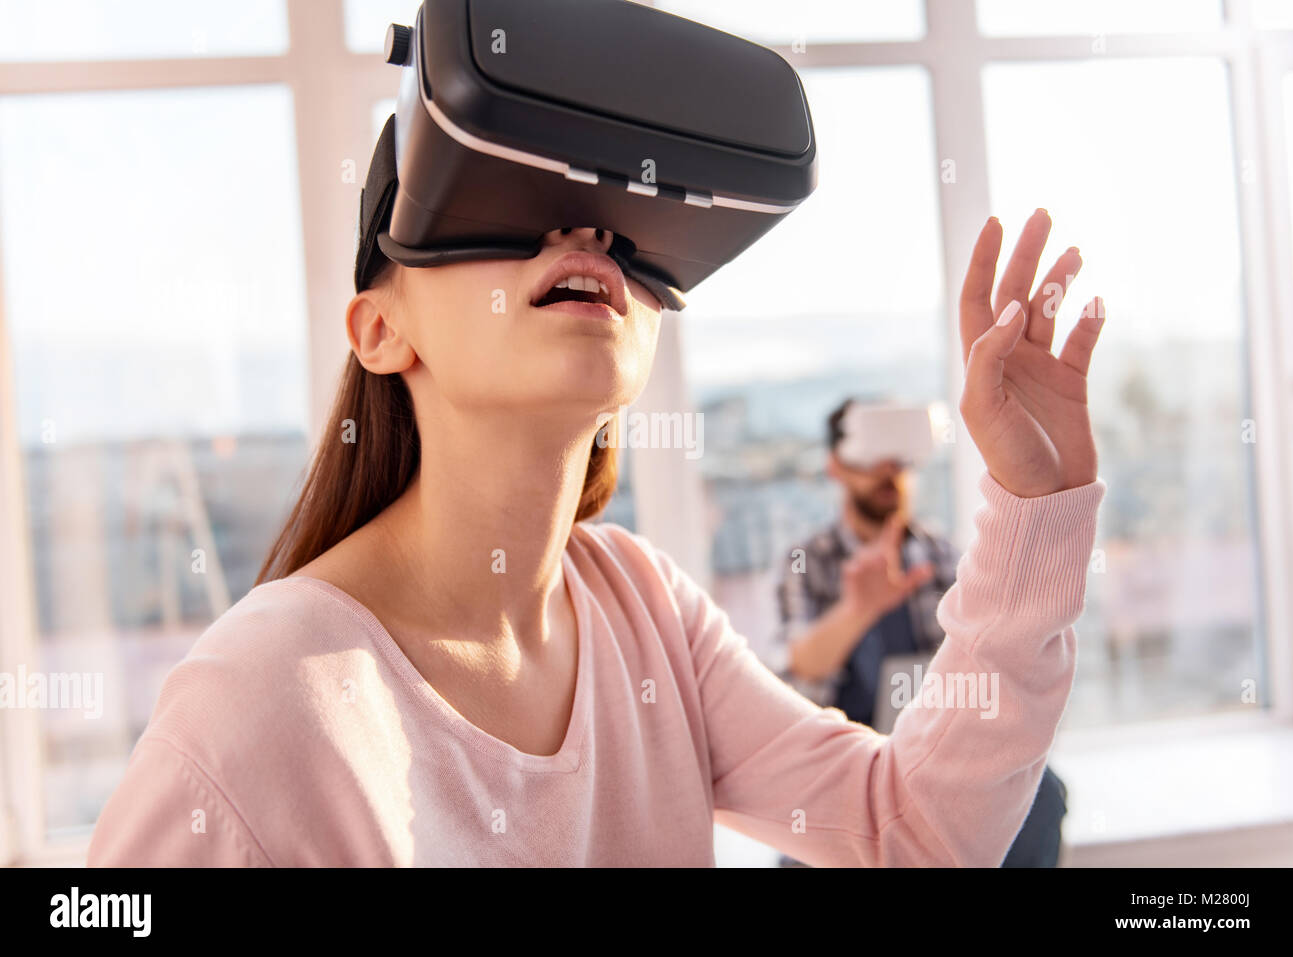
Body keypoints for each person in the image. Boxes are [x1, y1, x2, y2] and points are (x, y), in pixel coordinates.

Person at [87, 175, 1107, 864]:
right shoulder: (261, 699)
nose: (584, 235)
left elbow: (910, 829)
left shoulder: (644, 610)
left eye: (620, 221)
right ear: (380, 327)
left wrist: (1032, 503)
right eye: (512, 196)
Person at [772, 399, 1069, 867]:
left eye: (900, 455)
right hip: (847, 758)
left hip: (935, 748)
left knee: (1042, 793)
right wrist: (858, 610)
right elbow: (801, 667)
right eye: (872, 455)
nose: (888, 470)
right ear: (837, 466)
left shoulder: (945, 556)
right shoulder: (807, 561)